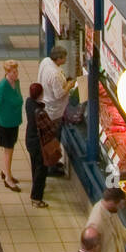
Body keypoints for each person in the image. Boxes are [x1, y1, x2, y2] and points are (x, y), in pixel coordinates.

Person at [38, 46, 76, 174]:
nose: (65, 60)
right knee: (54, 140)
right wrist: (69, 85)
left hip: (45, 105)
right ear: (59, 59)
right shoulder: (55, 75)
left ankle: (51, 163)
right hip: (54, 112)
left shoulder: (45, 62)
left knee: (49, 139)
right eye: (64, 57)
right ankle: (51, 167)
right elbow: (59, 94)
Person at [0, 60, 23, 190]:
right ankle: (8, 179)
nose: (16, 74)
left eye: (17, 71)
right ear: (7, 73)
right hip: (5, 123)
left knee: (10, 148)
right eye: (13, 72)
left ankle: (5, 171)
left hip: (14, 121)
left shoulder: (17, 83)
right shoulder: (1, 87)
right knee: (8, 151)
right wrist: (4, 112)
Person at [25, 81, 52, 209]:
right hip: (38, 144)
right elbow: (48, 129)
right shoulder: (40, 112)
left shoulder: (28, 102)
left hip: (29, 140)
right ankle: (36, 197)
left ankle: (35, 185)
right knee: (41, 169)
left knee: (35, 166)